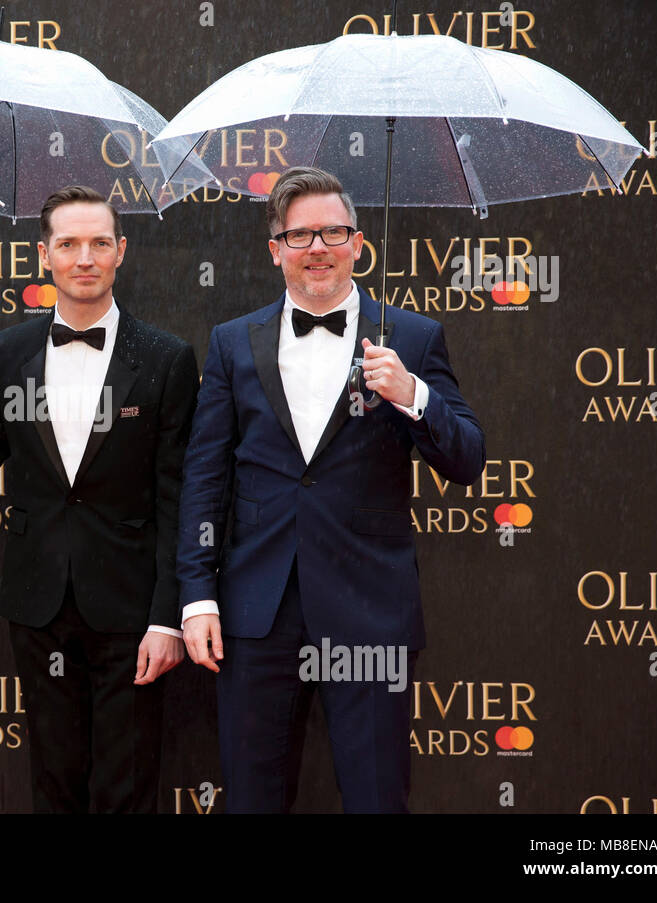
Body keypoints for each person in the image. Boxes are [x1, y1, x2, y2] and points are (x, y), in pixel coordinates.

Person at [176, 166, 485, 813]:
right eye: (300, 235)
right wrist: (198, 597)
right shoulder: (234, 342)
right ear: (276, 249)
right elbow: (205, 476)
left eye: (333, 232)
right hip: (256, 614)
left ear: (359, 241)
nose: (317, 247)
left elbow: (467, 458)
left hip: (370, 608)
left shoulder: (413, 338)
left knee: (377, 797)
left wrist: (414, 395)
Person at [0, 185, 198, 813]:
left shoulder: (167, 358)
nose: (85, 257)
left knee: (127, 786)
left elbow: (178, 499)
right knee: (53, 781)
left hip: (133, 608)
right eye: (69, 244)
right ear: (45, 255)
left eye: (99, 243)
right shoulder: (7, 350)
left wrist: (168, 618)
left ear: (120, 252)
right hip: (38, 603)